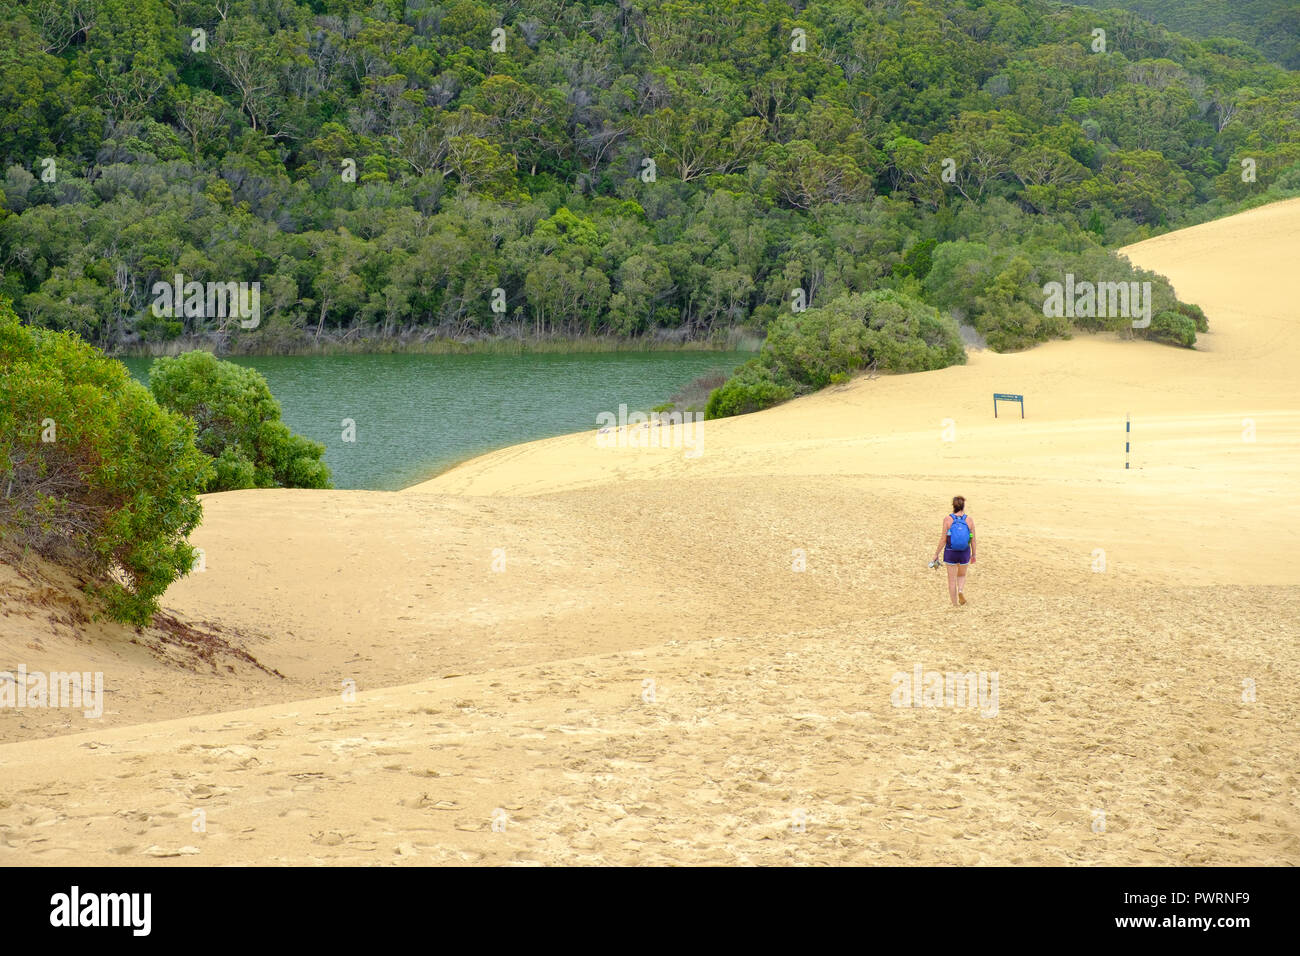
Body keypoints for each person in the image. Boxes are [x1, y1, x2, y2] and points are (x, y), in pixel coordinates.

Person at [933, 495, 975, 606]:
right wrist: (974, 554)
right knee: (961, 575)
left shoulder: (947, 519)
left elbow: (943, 539)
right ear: (963, 506)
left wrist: (936, 554)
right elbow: (973, 539)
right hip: (964, 552)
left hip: (950, 552)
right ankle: (960, 590)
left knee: (951, 580)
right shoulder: (969, 520)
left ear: (953, 506)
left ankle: (955, 604)